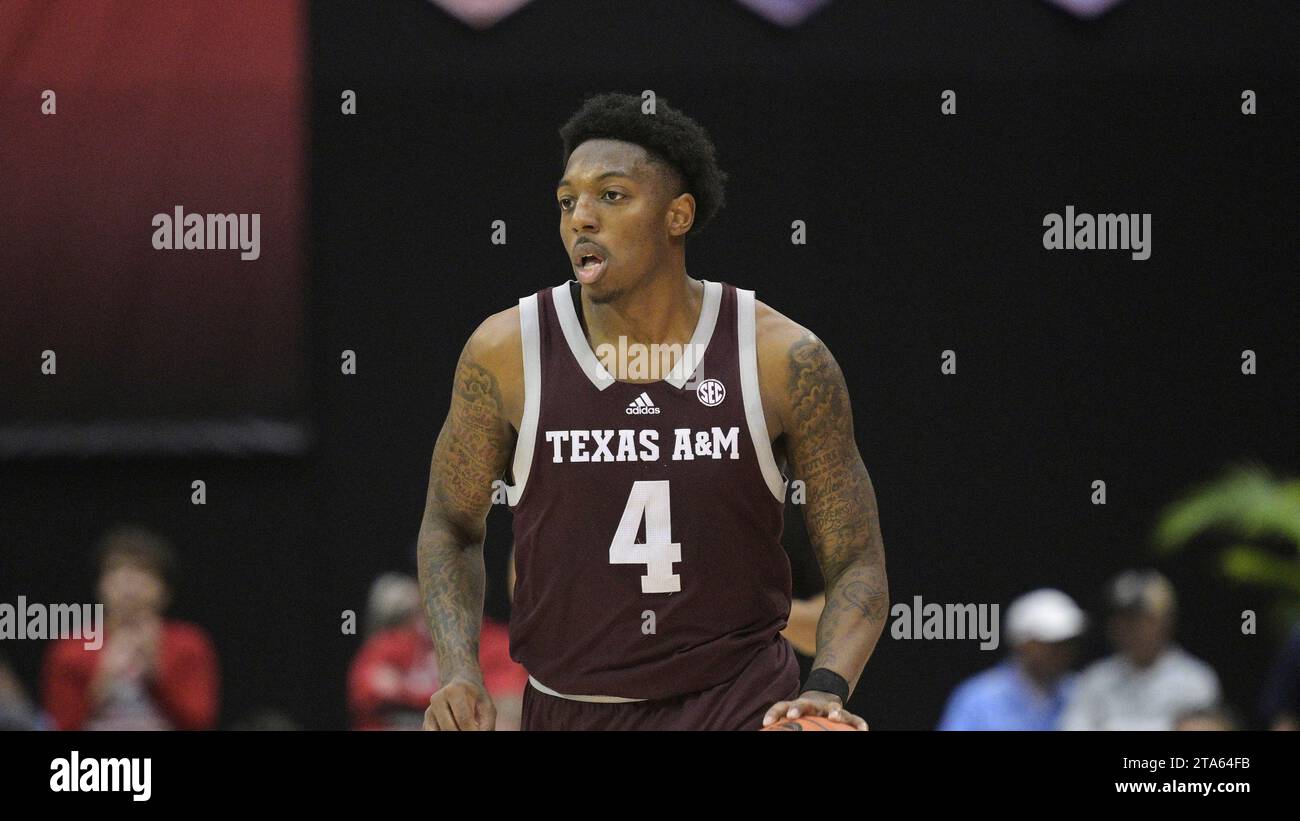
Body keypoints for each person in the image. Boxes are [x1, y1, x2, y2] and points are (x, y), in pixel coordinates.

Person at [417, 92, 887, 731]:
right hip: (568, 706)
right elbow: (451, 524)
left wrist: (827, 685)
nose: (581, 217)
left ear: (678, 215)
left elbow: (857, 557)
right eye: (567, 201)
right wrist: (460, 670)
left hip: (739, 702)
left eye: (611, 195)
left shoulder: (782, 358)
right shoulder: (505, 352)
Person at [42, 525, 219, 730]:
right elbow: (62, 725)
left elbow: (200, 723)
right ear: (101, 585)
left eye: (142, 571)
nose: (129, 584)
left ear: (165, 589)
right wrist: (101, 683)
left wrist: (155, 675)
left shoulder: (188, 643)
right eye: (116, 570)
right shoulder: (70, 649)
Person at [349, 573, 525, 730]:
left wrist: (404, 690)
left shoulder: (499, 646)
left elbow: (502, 712)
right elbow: (364, 690)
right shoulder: (400, 640)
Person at [1060, 569, 1220, 731]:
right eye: (1122, 620)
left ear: (1166, 621)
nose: (1130, 629)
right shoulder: (1095, 680)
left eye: (1141, 620)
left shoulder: (1194, 680)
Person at [938, 588, 1086, 730]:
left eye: (1068, 643)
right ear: (1022, 644)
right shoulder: (978, 698)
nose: (1062, 652)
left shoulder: (1081, 691)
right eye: (1051, 645)